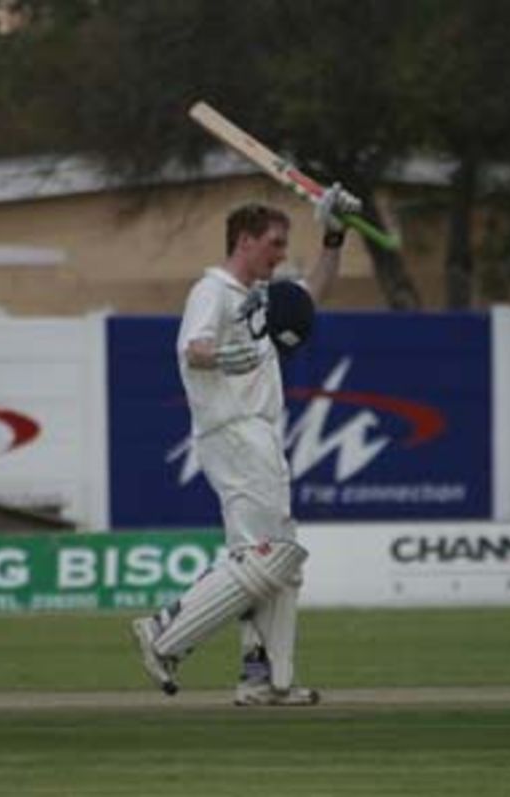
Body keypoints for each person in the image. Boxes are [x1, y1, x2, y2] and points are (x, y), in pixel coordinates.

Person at [131, 184, 358, 706]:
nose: (281, 254)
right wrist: (222, 358)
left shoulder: (260, 297)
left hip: (256, 431)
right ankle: (165, 632)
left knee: (275, 562)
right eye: (275, 243)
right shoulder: (211, 289)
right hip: (232, 429)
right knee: (270, 553)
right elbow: (195, 347)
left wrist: (334, 233)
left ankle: (265, 679)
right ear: (245, 241)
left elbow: (313, 294)